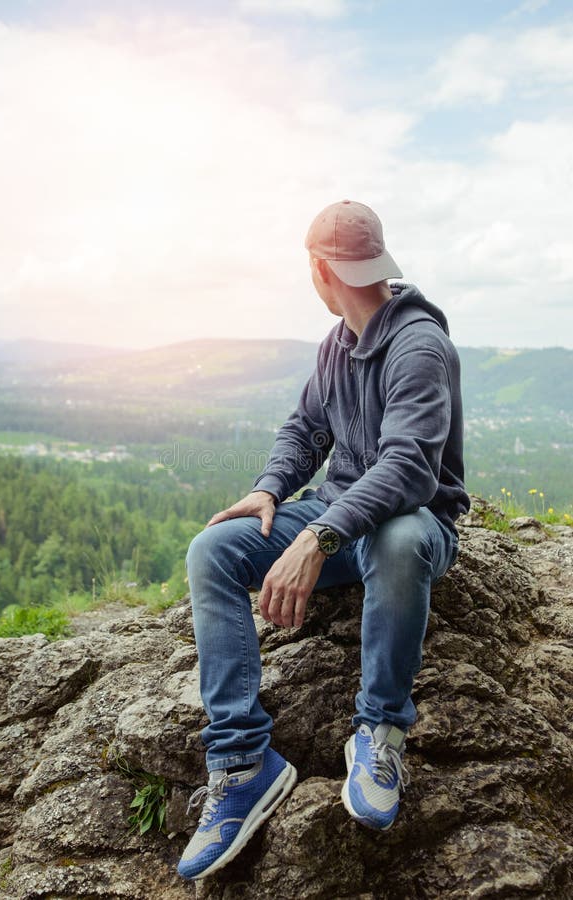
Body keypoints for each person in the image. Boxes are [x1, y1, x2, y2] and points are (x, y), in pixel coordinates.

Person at [177, 199, 470, 880]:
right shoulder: (337, 341)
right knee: (212, 550)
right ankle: (241, 762)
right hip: (335, 515)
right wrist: (270, 489)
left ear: (318, 269)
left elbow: (406, 470)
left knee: (397, 541)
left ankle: (380, 729)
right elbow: (305, 429)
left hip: (413, 522)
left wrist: (317, 537)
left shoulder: (420, 345)